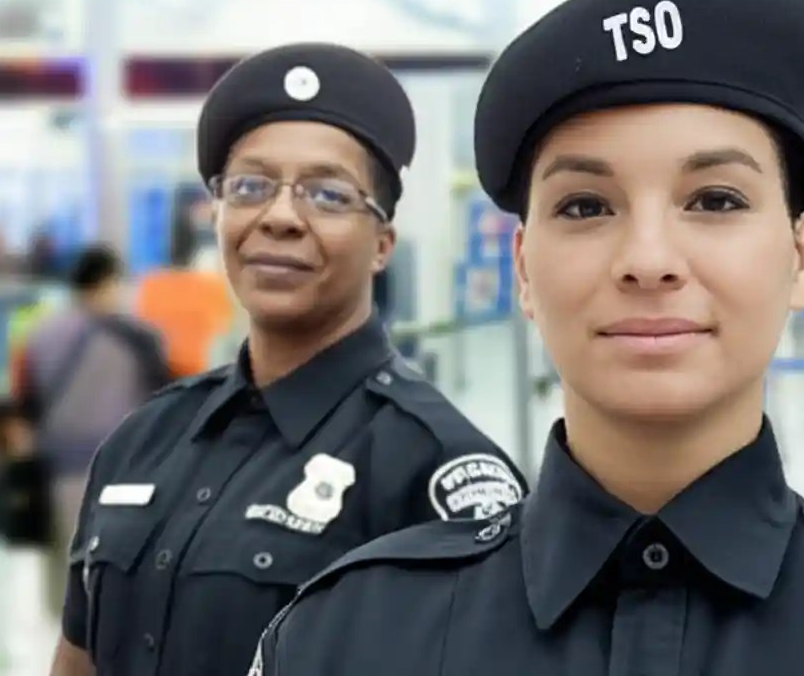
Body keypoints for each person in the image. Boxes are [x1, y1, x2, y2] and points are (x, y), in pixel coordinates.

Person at [251, 0, 804, 675]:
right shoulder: (345, 638)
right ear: (523, 269)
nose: (648, 257)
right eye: (586, 206)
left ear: (801, 256)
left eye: (715, 199)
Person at [49, 43, 527, 676]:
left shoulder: (432, 471)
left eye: (327, 195)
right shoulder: (142, 439)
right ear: (217, 214)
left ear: (382, 243)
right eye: (249, 186)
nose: (279, 217)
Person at [12, 244, 171, 610]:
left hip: (60, 472)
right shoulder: (137, 338)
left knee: (68, 570)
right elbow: (163, 400)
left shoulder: (40, 335)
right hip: (128, 472)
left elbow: (25, 404)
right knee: (116, 571)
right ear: (106, 282)